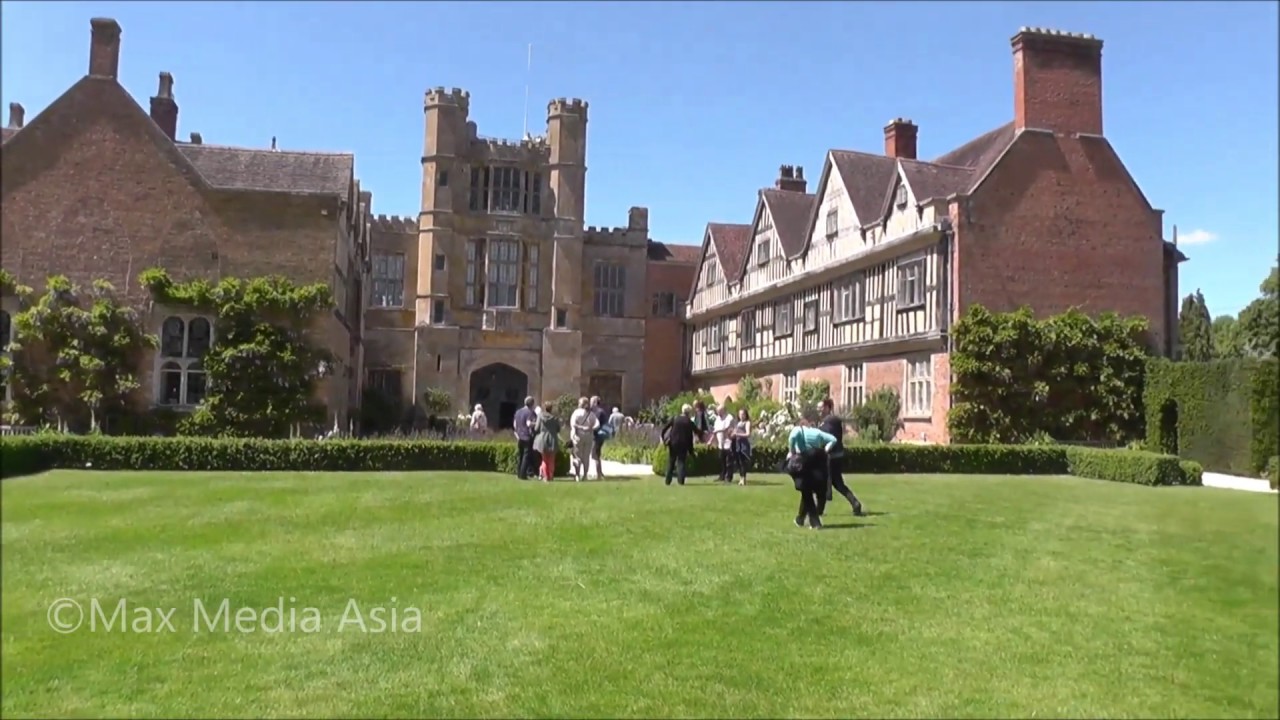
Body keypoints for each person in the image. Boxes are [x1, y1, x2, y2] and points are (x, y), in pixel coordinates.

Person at [786, 418, 838, 529]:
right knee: (807, 491)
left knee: (806, 493)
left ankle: (815, 523)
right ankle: (800, 519)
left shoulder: (798, 430)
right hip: (818, 463)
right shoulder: (817, 432)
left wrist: (791, 450)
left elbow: (792, 437)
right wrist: (826, 449)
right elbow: (833, 439)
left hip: (804, 462)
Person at [817, 397, 865, 516]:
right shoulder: (828, 421)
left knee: (824, 482)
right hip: (835, 455)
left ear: (827, 408)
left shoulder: (830, 421)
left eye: (821, 407)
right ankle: (855, 503)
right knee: (837, 483)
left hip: (831, 456)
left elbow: (828, 437)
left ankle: (819, 510)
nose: (819, 410)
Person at [659, 404, 701, 486]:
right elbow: (695, 432)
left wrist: (663, 439)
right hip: (683, 444)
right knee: (681, 462)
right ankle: (681, 480)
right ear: (688, 412)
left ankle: (668, 480)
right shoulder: (689, 422)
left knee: (671, 461)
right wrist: (691, 450)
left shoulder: (675, 418)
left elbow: (664, 429)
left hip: (673, 443)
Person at [568, 397, 599, 482]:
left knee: (577, 456)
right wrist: (591, 428)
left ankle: (577, 475)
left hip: (578, 436)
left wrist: (578, 430)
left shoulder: (576, 413)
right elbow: (597, 424)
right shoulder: (591, 414)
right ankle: (585, 475)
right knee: (586, 457)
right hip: (589, 436)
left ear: (580, 404)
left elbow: (573, 424)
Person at [532, 402, 562, 483]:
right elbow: (558, 429)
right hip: (552, 438)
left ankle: (545, 477)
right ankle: (551, 476)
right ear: (551, 408)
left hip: (542, 438)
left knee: (544, 459)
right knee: (551, 459)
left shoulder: (540, 416)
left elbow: (536, 428)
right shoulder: (554, 418)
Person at [512, 396, 537, 480]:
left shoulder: (518, 411)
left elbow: (515, 424)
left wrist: (517, 433)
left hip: (519, 436)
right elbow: (529, 423)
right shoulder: (530, 412)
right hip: (527, 436)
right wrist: (536, 423)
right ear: (532, 404)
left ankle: (518, 473)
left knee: (521, 455)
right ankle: (523, 475)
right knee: (526, 457)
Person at [711, 405, 737, 482]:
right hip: (720, 443)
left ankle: (729, 477)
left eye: (720, 411)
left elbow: (726, 428)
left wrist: (717, 431)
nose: (718, 413)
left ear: (724, 410)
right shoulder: (717, 419)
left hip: (728, 442)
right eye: (717, 411)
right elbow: (715, 429)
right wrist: (712, 440)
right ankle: (722, 475)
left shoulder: (729, 418)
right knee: (722, 460)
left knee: (729, 461)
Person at [589, 395, 611, 480]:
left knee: (595, 455)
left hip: (597, 436)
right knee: (596, 454)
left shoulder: (598, 412)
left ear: (595, 402)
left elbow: (596, 424)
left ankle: (599, 474)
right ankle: (600, 473)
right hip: (599, 435)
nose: (590, 403)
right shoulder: (600, 411)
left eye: (591, 402)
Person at [731, 407, 752, 486]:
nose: (741, 416)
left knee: (743, 462)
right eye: (740, 414)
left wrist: (737, 434)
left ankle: (743, 479)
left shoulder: (747, 423)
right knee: (738, 462)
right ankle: (741, 478)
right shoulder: (738, 423)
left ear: (746, 415)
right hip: (737, 444)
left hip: (743, 444)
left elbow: (748, 434)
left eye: (743, 414)